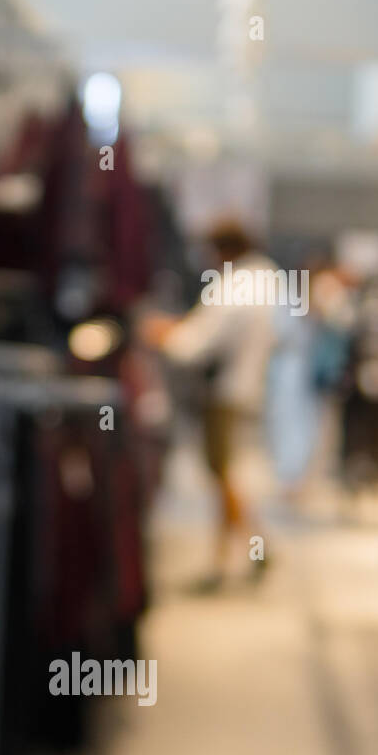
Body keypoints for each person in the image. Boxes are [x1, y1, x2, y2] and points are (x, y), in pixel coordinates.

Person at [141, 218, 277, 591]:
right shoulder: (265, 279)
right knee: (225, 476)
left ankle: (233, 558)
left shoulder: (234, 286)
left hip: (223, 392)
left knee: (222, 478)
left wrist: (163, 333)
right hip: (245, 388)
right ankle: (253, 549)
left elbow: (197, 342)